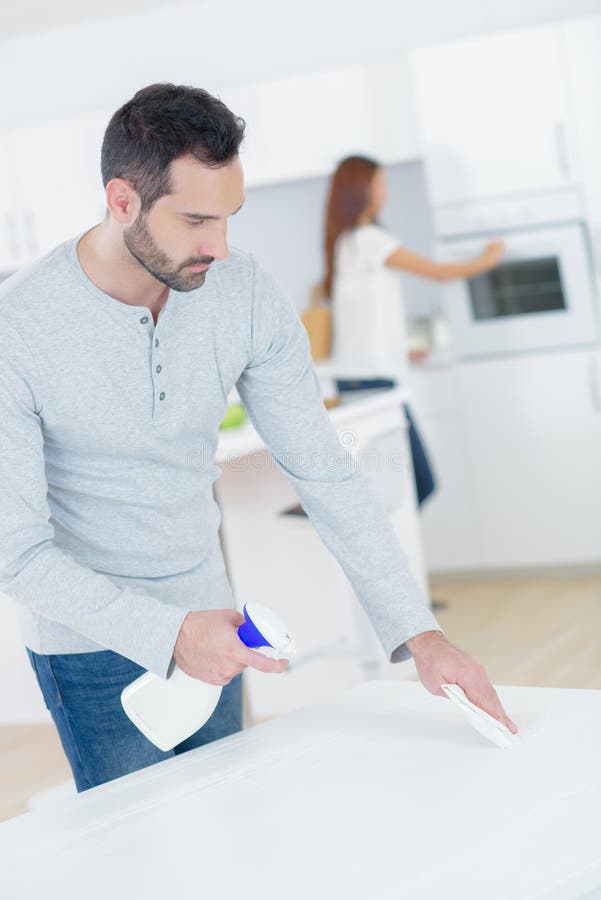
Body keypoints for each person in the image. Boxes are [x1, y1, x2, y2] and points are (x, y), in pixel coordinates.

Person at [0, 85, 516, 793]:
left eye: (228, 217)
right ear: (122, 201)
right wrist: (171, 635)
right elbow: (16, 552)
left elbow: (323, 471)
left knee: (226, 822)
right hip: (88, 646)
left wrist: (418, 632)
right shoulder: (18, 327)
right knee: (133, 843)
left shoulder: (241, 293)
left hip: (213, 621)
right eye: (195, 219)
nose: (219, 246)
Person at [323, 155, 505, 506]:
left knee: (397, 490)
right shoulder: (370, 240)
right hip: (373, 381)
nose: (386, 193)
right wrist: (489, 259)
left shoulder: (346, 242)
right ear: (361, 190)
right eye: (381, 185)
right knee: (416, 485)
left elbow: (364, 319)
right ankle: (376, 542)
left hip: (359, 379)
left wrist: (400, 350)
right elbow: (438, 272)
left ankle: (377, 541)